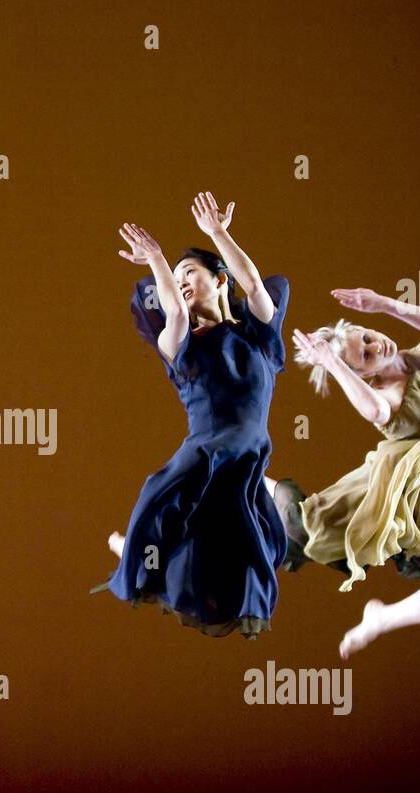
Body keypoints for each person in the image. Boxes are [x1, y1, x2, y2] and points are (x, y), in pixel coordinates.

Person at [91, 194, 290, 639]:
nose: (181, 283)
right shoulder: (181, 346)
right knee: (161, 497)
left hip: (250, 453)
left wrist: (218, 234)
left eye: (191, 273)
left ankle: (154, 561)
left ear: (221, 280)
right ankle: (136, 558)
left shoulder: (259, 337)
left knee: (238, 545)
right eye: (176, 278)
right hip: (208, 448)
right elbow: (176, 312)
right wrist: (159, 259)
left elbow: (255, 287)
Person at [284, 287, 420, 659]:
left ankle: (381, 618)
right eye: (365, 356)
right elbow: (375, 413)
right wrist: (334, 365)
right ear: (363, 374)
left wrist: (385, 305)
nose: (376, 347)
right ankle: (249, 485)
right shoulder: (382, 394)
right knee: (308, 523)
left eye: (368, 337)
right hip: (405, 495)